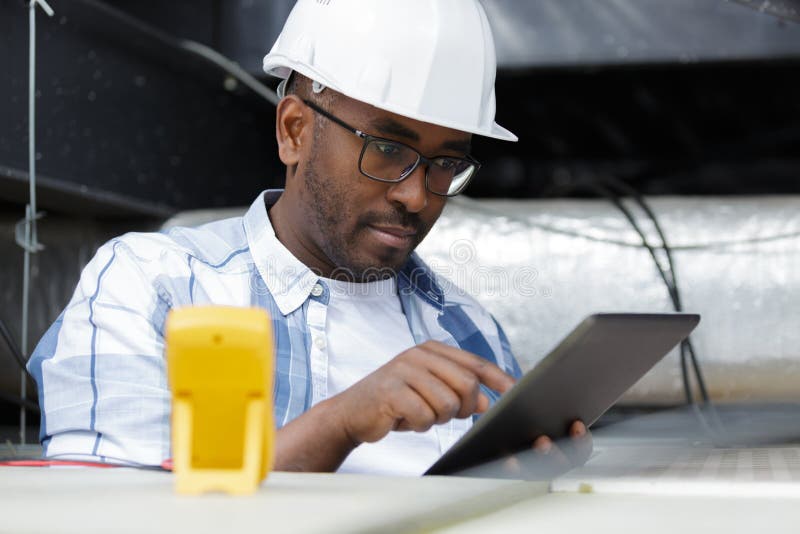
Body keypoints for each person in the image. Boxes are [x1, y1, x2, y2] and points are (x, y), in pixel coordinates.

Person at [28, 0, 591, 476]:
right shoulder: (155, 287)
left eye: (445, 163)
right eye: (388, 150)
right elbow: (102, 511)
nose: (417, 197)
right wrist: (339, 423)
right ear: (295, 131)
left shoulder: (469, 332)